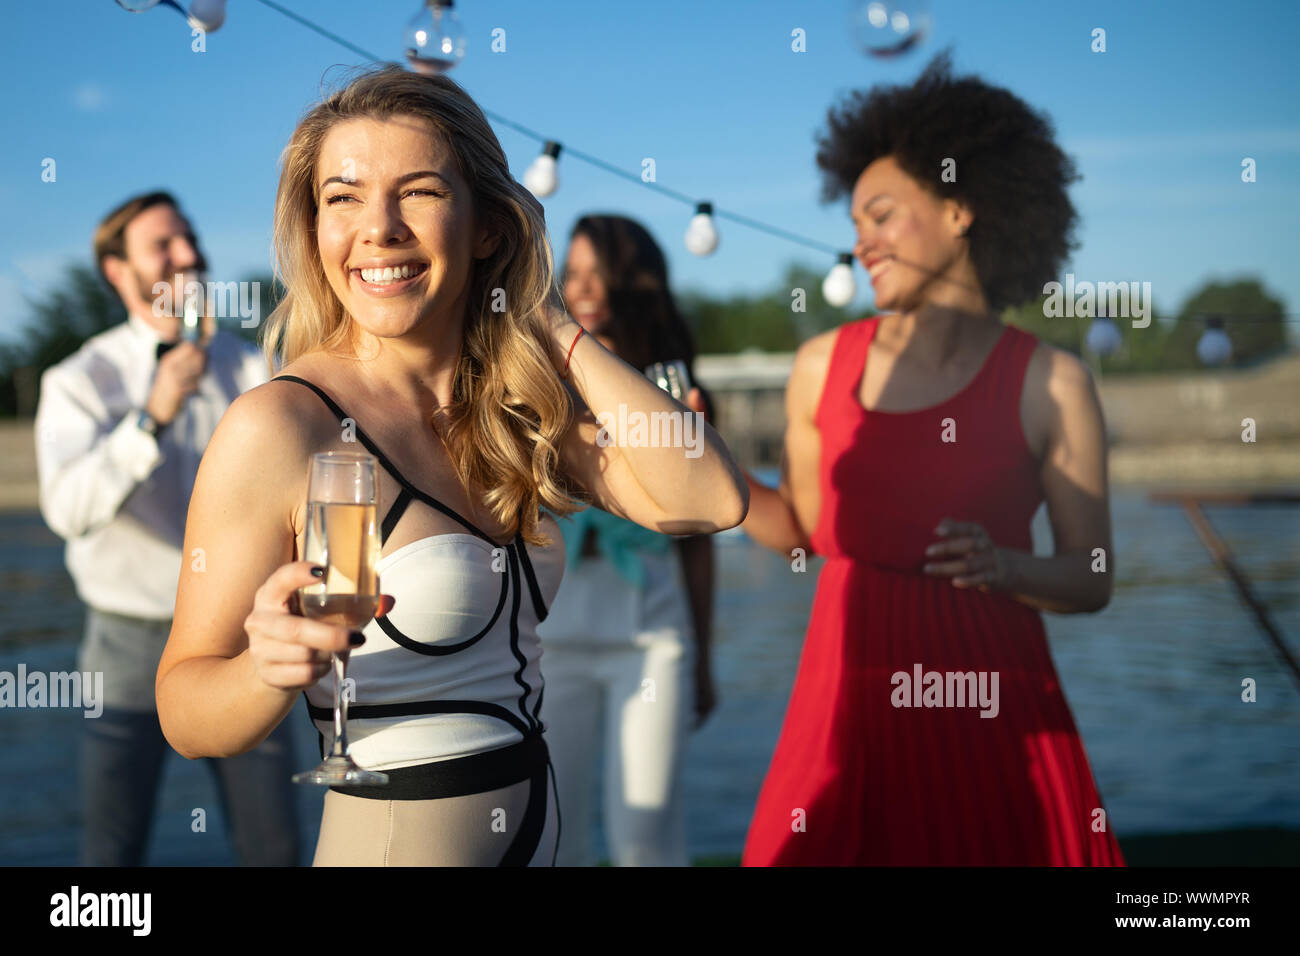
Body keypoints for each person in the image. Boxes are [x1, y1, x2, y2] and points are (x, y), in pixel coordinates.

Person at [153, 66, 748, 867]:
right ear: (314, 227)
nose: (380, 227)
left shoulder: (513, 411)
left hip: (538, 835)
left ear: (488, 227)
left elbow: (709, 499)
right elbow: (184, 709)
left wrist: (551, 320)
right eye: (343, 197)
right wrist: (266, 668)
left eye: (421, 192)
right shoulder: (279, 425)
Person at [739, 53, 1125, 866]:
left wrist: (1004, 566)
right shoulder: (819, 366)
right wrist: (708, 466)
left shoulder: (1051, 381)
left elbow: (1090, 576)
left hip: (994, 712)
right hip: (840, 701)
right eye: (853, 226)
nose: (861, 243)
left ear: (960, 208)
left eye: (882, 215)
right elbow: (804, 535)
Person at [34, 191, 300, 866]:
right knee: (111, 853)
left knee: (274, 845)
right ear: (116, 271)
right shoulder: (78, 381)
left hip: (242, 638)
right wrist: (150, 417)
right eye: (163, 245)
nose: (188, 255)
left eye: (189, 238)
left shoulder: (251, 368)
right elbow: (67, 512)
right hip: (124, 644)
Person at [537, 215, 716, 866]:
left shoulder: (670, 388)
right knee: (555, 834)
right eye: (572, 273)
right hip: (550, 643)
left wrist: (704, 655)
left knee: (647, 838)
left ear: (630, 282)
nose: (581, 288)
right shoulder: (534, 381)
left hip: (652, 637)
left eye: (597, 273)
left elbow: (700, 538)